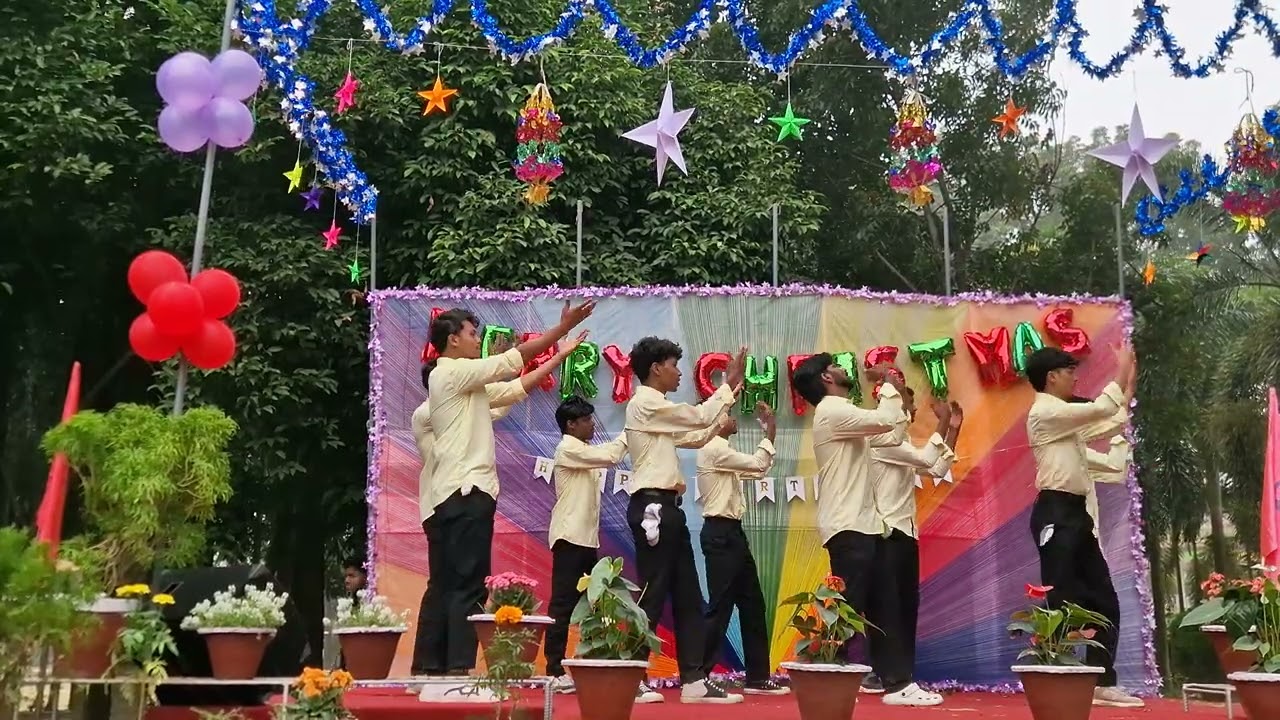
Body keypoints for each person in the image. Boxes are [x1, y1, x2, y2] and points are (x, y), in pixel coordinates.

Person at [424, 301, 594, 680]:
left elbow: (516, 385)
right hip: (467, 491)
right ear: (452, 340)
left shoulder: (461, 384)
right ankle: (456, 671)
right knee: (466, 584)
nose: (477, 340)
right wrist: (558, 330)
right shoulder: (452, 372)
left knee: (452, 583)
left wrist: (559, 355)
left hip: (454, 493)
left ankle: (434, 671)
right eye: (471, 334)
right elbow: (511, 361)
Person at [624, 338, 746, 704]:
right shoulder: (645, 401)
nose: (679, 372)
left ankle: (694, 679)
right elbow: (696, 418)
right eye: (674, 365)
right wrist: (726, 385)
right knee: (653, 593)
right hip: (652, 508)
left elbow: (694, 436)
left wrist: (728, 396)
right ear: (655, 368)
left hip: (667, 509)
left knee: (689, 596)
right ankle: (630, 674)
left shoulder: (656, 409)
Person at [1024, 345, 1141, 708]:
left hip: (1076, 514)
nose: (1076, 376)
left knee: (1103, 596)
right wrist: (1119, 374)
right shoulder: (1044, 411)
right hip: (1055, 513)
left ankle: (1102, 681)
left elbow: (1107, 419)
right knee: (1060, 597)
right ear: (1051, 377)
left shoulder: (1064, 420)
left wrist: (1128, 387)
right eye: (1069, 370)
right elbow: (1101, 409)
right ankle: (1055, 676)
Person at [790, 354, 908, 663]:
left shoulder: (843, 413)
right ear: (827, 378)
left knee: (884, 607)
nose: (844, 368)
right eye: (835, 366)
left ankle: (894, 681)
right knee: (847, 608)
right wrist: (886, 384)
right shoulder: (832, 411)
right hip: (849, 526)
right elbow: (883, 420)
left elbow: (891, 434)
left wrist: (897, 399)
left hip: (864, 525)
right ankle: (823, 667)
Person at [859, 390, 962, 707]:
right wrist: (943, 420)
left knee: (903, 608)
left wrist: (953, 427)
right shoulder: (883, 441)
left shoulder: (898, 445)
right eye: (908, 402)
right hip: (888, 534)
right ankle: (894, 680)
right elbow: (928, 458)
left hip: (905, 533)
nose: (914, 409)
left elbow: (936, 468)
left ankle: (884, 675)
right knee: (891, 609)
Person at [695, 401, 788, 695]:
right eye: (727, 415)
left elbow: (757, 472)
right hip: (721, 534)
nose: (732, 418)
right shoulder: (714, 449)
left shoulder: (724, 453)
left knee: (752, 604)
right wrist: (770, 433)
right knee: (720, 606)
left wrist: (767, 437)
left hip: (732, 533)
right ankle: (700, 675)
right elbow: (758, 464)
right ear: (714, 422)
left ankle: (757, 677)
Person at [545, 396, 629, 694]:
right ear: (571, 424)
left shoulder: (583, 450)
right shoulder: (567, 448)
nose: (593, 424)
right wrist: (635, 423)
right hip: (569, 537)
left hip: (585, 539)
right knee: (562, 604)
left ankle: (594, 660)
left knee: (595, 602)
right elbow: (612, 455)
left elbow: (607, 454)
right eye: (587, 420)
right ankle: (553, 670)